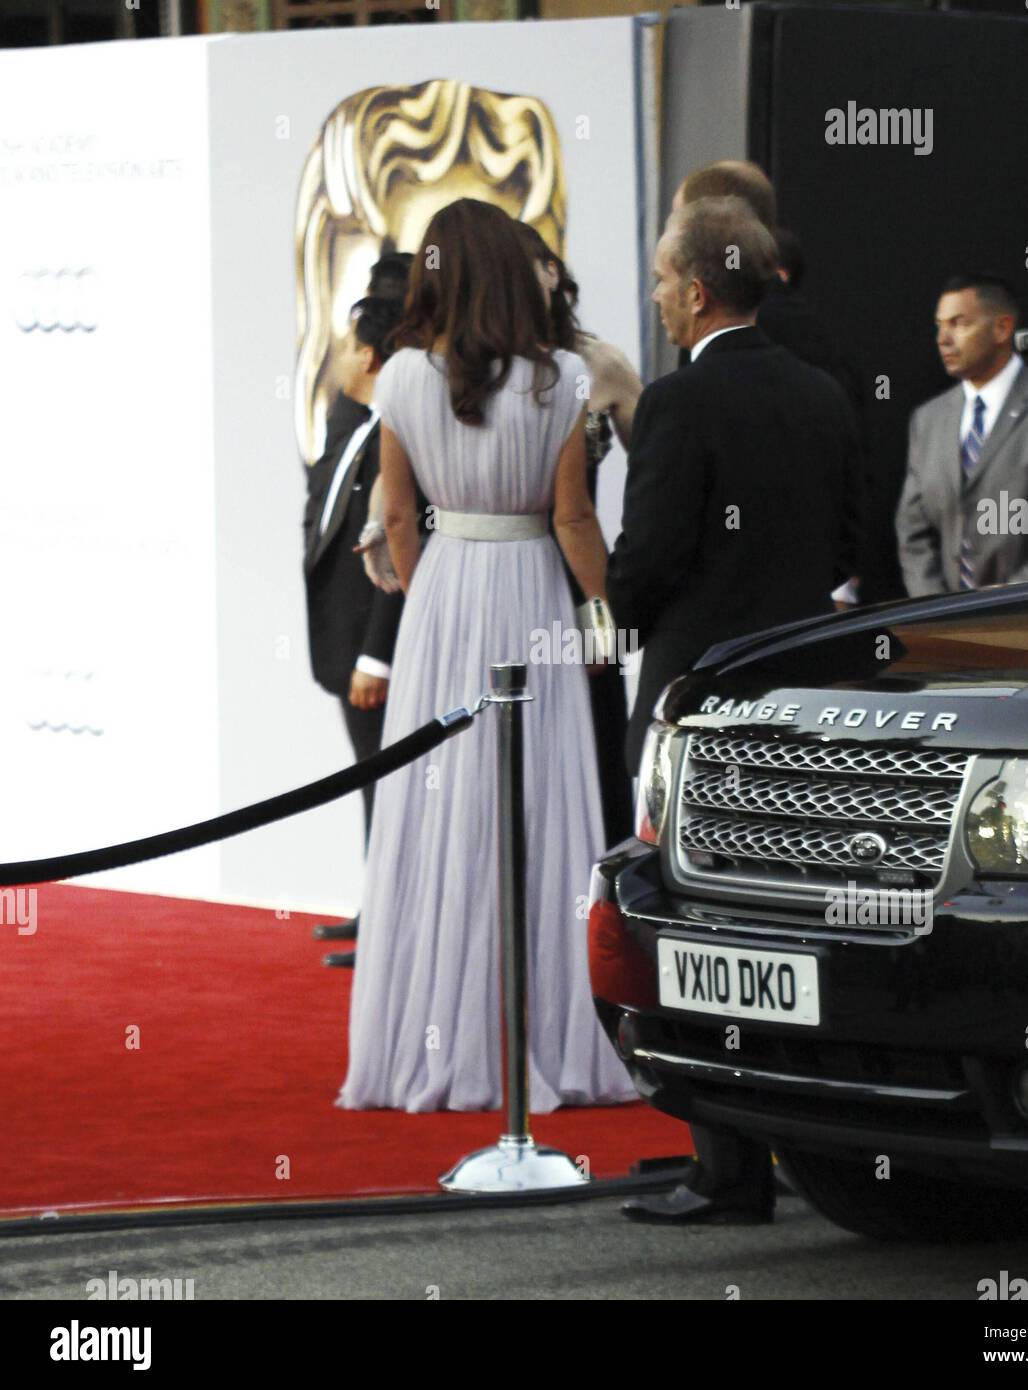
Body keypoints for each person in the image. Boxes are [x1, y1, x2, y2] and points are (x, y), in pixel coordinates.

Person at [337, 198, 636, 1113]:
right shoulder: (558, 381)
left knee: (438, 812)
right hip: (534, 592)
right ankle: (557, 1040)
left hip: (443, 595)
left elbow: (394, 519)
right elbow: (574, 518)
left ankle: (425, 1043)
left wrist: (434, 600)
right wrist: (607, 617)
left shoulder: (400, 379)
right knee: (543, 809)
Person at [610, 195, 861, 1223]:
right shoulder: (823, 393)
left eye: (666, 282)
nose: (659, 298)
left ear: (699, 289)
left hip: (694, 704)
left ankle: (725, 1169)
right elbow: (850, 549)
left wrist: (609, 581)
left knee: (692, 929)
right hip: (804, 701)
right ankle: (797, 1147)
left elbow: (642, 575)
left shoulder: (678, 403)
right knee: (783, 928)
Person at [671, 160, 866, 605]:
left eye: (676, 221)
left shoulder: (733, 337)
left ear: (711, 221)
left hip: (740, 609)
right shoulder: (818, 332)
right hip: (806, 595)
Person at [514, 220, 642, 847]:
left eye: (539, 267)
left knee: (595, 744)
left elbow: (658, 474)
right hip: (504, 572)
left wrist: (614, 594)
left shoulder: (600, 364)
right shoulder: (477, 366)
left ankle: (600, 916)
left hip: (580, 578)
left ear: (557, 275)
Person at [896, 273, 1028, 594]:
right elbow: (913, 530)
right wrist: (935, 609)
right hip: (943, 630)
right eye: (940, 325)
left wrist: (999, 609)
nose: (943, 338)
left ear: (1002, 328)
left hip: (1027, 628)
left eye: (959, 323)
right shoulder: (928, 420)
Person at [303, 295, 405, 966]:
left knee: (390, 789)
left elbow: (395, 552)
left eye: (345, 344)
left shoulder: (394, 437)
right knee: (372, 785)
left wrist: (377, 655)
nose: (335, 354)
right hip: (343, 647)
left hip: (373, 655)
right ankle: (378, 910)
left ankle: (393, 923)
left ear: (369, 355)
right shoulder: (355, 425)